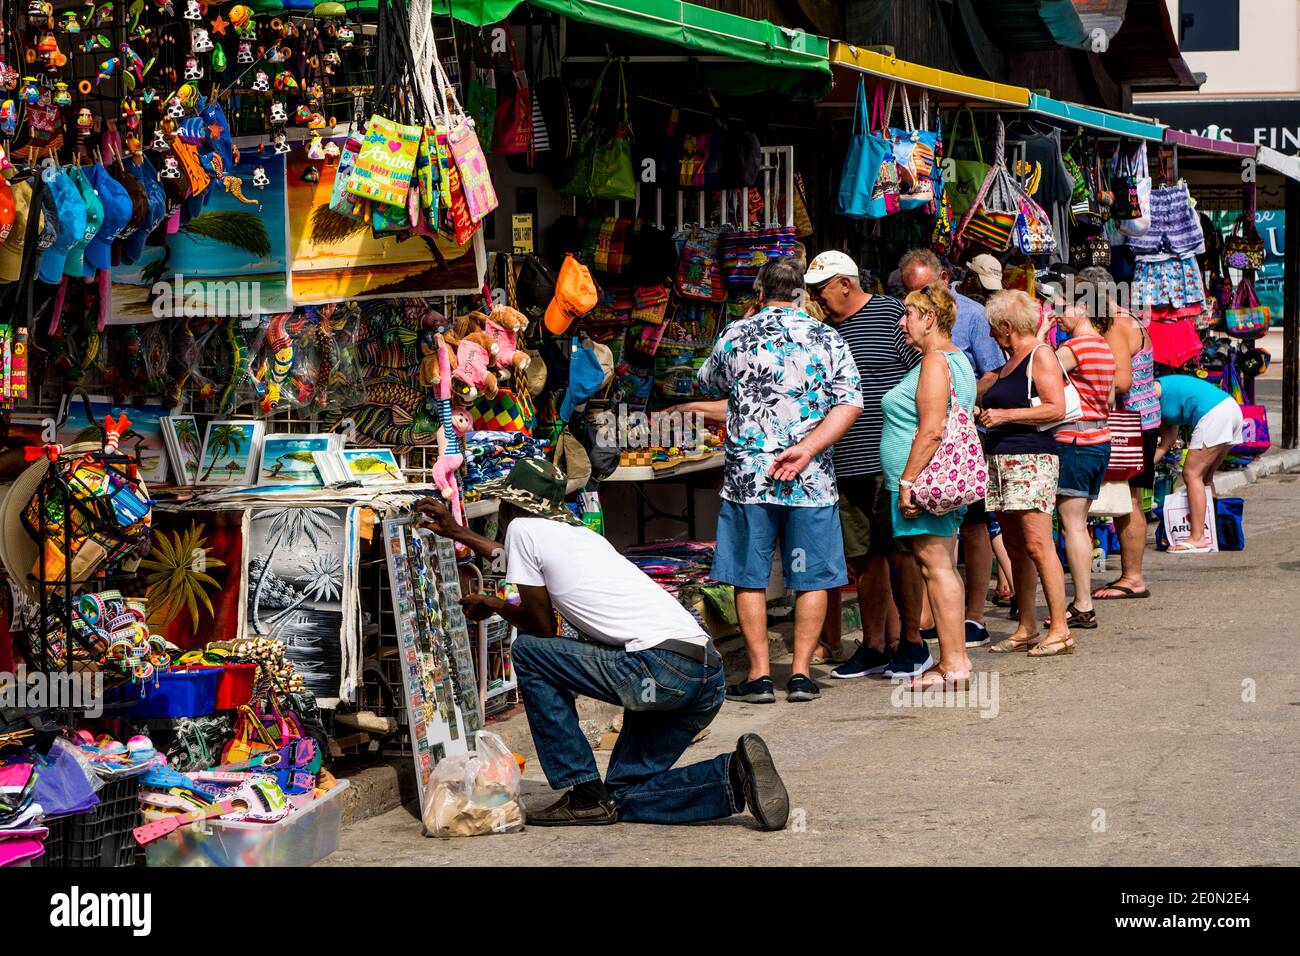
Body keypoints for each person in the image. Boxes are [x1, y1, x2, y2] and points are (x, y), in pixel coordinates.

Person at [414, 460, 791, 830]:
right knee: (622, 794)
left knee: (529, 652)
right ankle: (733, 774)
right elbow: (510, 559)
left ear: (512, 506)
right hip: (704, 673)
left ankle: (580, 788)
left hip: (657, 668)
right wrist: (457, 532)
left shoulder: (522, 529)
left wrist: (497, 605)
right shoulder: (578, 535)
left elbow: (542, 629)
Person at [698, 258, 864, 703]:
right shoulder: (827, 336)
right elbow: (850, 404)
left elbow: (707, 380)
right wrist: (808, 449)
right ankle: (801, 674)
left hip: (749, 479)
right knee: (809, 578)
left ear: (759, 292)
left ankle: (758, 676)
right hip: (810, 480)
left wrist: (745, 325)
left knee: (749, 576)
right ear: (802, 294)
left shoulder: (736, 334)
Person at [803, 251, 930, 681]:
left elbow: (924, 372)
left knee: (900, 554)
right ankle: (874, 645)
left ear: (845, 283)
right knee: (865, 560)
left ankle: (913, 642)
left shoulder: (890, 312)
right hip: (843, 462)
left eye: (821, 291)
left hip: (889, 459)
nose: (817, 300)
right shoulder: (822, 331)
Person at [900, 248, 1005, 649]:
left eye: (924, 288)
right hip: (930, 434)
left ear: (944, 278)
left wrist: (958, 398)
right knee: (937, 543)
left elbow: (992, 368)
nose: (916, 296)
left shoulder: (972, 315)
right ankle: (934, 621)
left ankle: (973, 617)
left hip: (959, 438)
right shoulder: (907, 315)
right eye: (911, 291)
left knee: (973, 528)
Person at [882, 283, 978, 687]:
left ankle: (954, 662)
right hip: (937, 481)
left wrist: (907, 482)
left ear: (930, 318)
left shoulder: (936, 362)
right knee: (940, 565)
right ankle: (952, 659)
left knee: (935, 566)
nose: (902, 322)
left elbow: (932, 430)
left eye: (908, 313)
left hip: (924, 481)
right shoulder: (954, 360)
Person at [978, 291, 1074, 657]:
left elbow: (1055, 408)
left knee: (1037, 544)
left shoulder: (1040, 354)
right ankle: (1027, 627)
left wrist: (1004, 415)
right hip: (1002, 462)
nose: (990, 335)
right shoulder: (1009, 359)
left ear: (1006, 326)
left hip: (1031, 460)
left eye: (992, 328)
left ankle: (1060, 628)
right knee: (1016, 545)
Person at [1048, 279, 1116, 628]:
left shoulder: (1077, 347)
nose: (1056, 315)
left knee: (1072, 525)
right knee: (1079, 523)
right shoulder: (1103, 347)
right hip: (1099, 441)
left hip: (1076, 442)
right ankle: (1081, 601)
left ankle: (1083, 604)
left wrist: (1042, 334)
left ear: (1083, 308)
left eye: (1061, 308)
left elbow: (1038, 371)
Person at [1091, 271, 1161, 601]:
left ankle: (1132, 577)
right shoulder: (1127, 318)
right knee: (1129, 498)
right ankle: (1131, 575)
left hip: (1130, 423)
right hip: (1142, 420)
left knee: (1128, 498)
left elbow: (1121, 382)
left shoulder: (1117, 324)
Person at [1153, 374, 1244, 553]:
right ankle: (1213, 531)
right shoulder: (1164, 410)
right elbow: (1166, 443)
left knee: (1191, 474)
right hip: (1230, 409)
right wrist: (1143, 468)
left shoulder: (1151, 391)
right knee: (1205, 478)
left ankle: (1197, 537)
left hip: (1214, 413)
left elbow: (1149, 396)